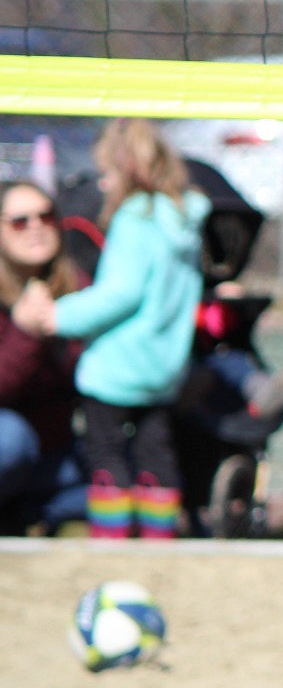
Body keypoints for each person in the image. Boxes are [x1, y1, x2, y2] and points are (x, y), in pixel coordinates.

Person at [13, 121, 209, 541]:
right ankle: (159, 541)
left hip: (115, 371)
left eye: (108, 173)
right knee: (156, 454)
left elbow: (118, 294)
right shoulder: (184, 223)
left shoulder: (134, 221)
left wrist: (59, 317)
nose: (102, 183)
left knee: (106, 456)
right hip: (162, 368)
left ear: (129, 170)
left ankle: (112, 542)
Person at [0, 181, 87, 531]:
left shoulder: (80, 290)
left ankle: (27, 515)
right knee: (12, 438)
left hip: (55, 456)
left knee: (114, 476)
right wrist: (24, 333)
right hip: (9, 446)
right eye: (20, 221)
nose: (36, 226)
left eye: (46, 216)